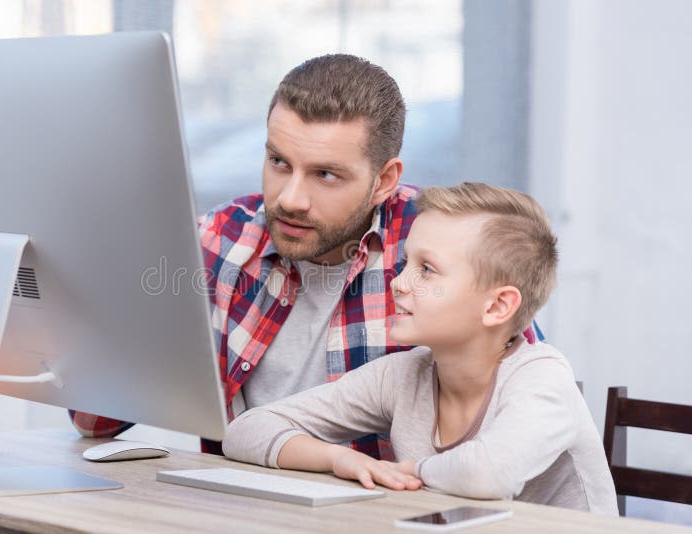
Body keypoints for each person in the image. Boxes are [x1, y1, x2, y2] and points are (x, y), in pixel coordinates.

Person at [70, 55, 539, 457]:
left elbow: (525, 415)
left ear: (384, 180)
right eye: (278, 162)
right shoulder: (217, 242)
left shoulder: (442, 245)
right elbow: (94, 423)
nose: (290, 199)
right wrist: (130, 315)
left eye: (326, 175)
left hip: (392, 515)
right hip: (237, 512)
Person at [222, 183, 618, 515]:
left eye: (426, 270)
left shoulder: (543, 377)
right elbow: (245, 431)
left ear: (498, 306)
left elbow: (488, 473)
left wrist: (412, 470)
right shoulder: (403, 376)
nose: (398, 283)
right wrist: (339, 458)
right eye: (406, 262)